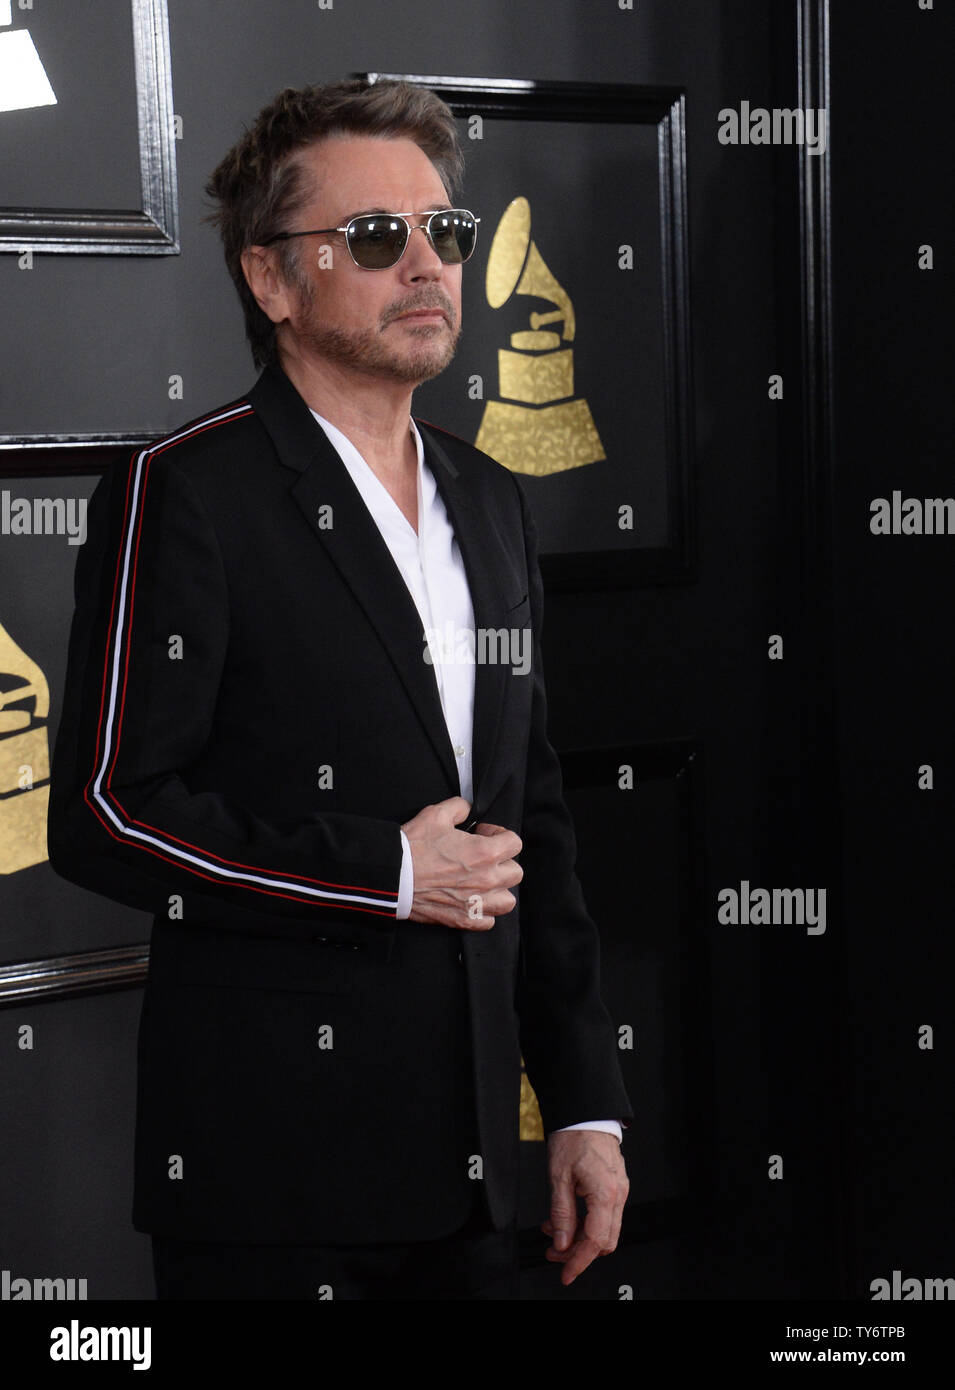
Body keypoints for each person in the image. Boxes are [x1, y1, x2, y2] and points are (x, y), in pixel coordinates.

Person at [47, 78, 632, 1301]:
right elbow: (105, 811)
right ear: (271, 280)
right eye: (375, 238)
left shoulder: (490, 497)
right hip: (272, 1170)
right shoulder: (184, 493)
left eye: (442, 233)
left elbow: (535, 816)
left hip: (478, 1168)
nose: (425, 264)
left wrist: (585, 1103)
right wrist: (387, 873)